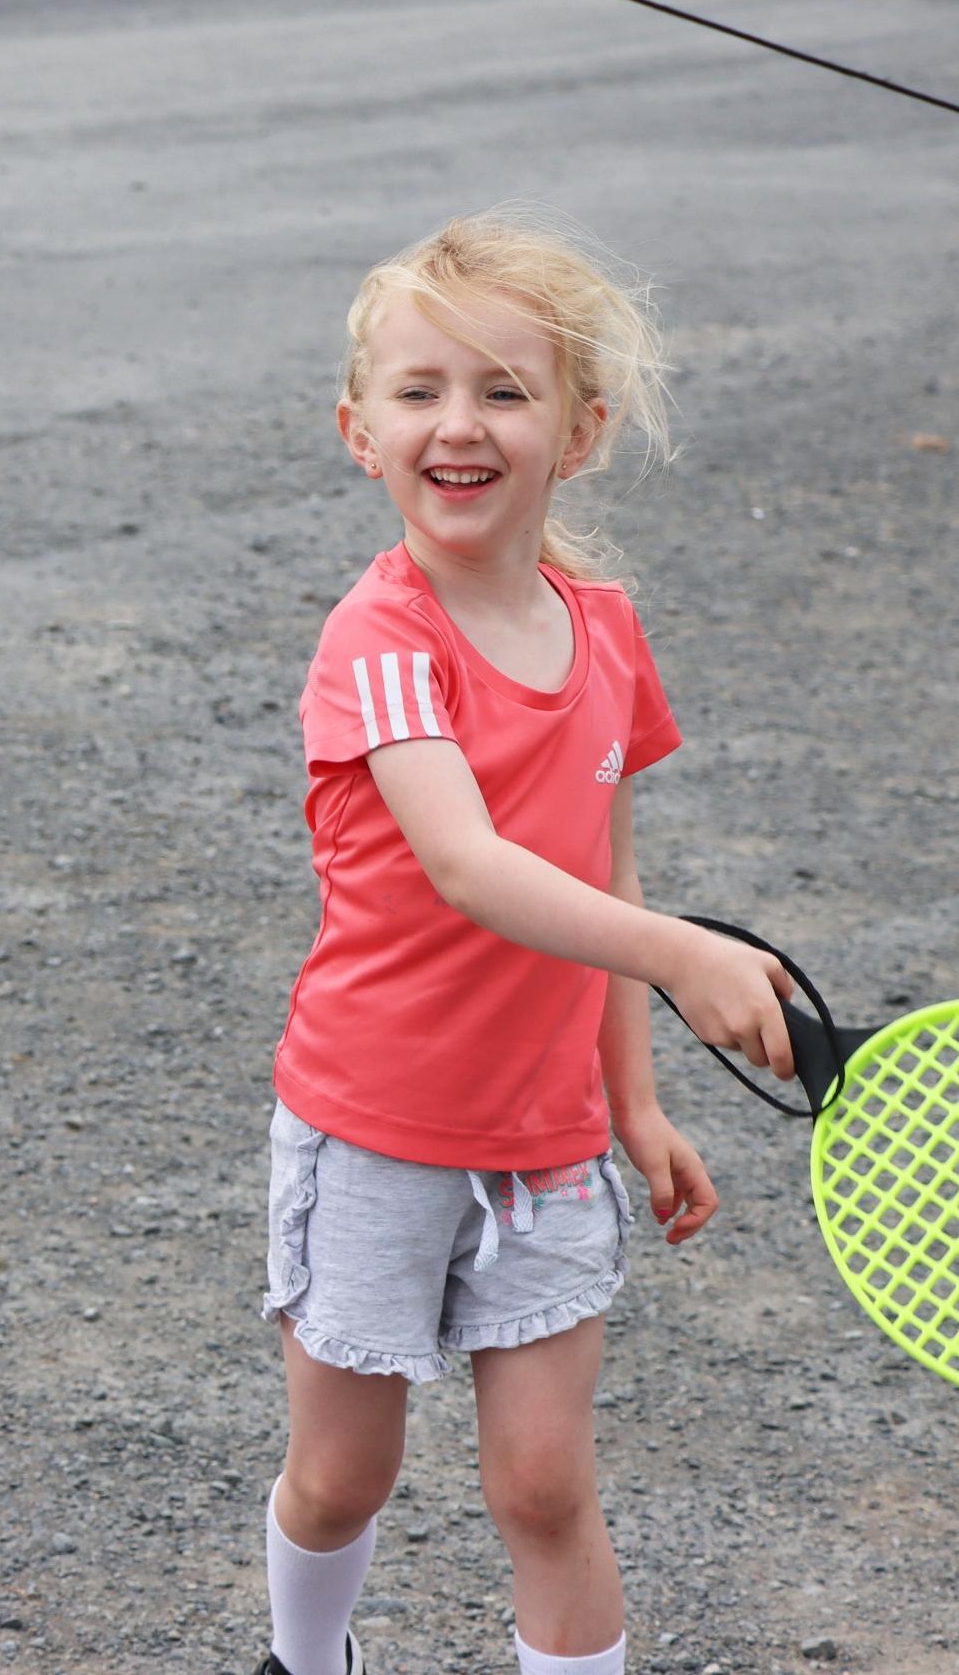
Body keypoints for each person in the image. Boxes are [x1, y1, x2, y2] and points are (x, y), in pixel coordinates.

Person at [254, 209, 794, 1675]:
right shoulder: (376, 642)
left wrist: (632, 1098)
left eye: (504, 391)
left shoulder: (603, 631)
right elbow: (469, 863)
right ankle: (306, 1663)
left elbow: (592, 858)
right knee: (340, 1477)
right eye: (419, 390)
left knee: (546, 1489)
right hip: (374, 1128)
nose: (459, 425)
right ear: (357, 429)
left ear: (582, 431)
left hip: (546, 1142)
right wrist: (685, 953)